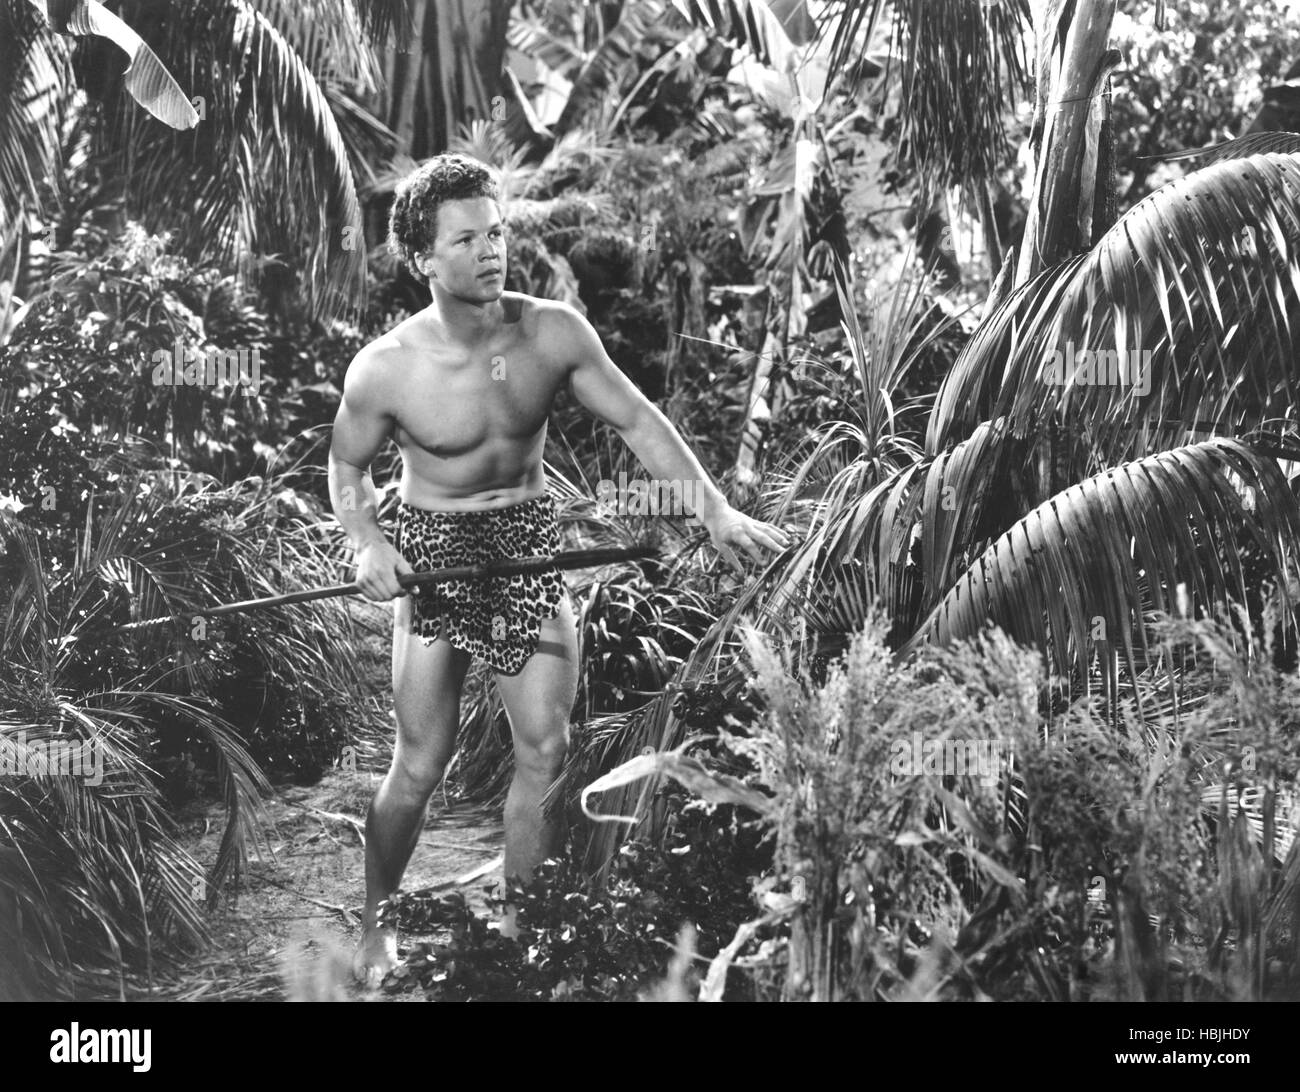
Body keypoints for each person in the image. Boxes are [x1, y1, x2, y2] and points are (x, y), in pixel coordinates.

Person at [328, 152, 791, 987]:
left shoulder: (552, 333)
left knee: (544, 747)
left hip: (528, 548)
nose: (489, 251)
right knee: (420, 763)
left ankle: (519, 934)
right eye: (464, 240)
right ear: (424, 260)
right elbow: (347, 472)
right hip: (433, 555)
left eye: (495, 232)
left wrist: (713, 510)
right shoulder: (386, 368)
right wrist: (368, 542)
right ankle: (372, 928)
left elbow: (639, 422)